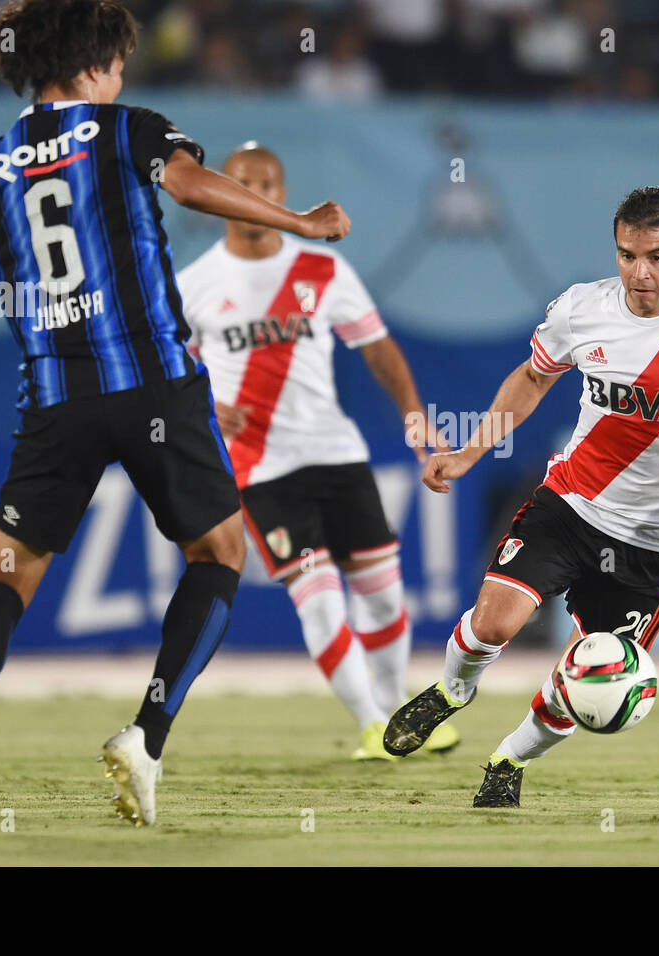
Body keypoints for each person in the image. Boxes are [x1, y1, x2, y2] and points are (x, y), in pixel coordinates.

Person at [0, 0, 349, 826]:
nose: (120, 77)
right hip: (154, 384)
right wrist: (297, 220)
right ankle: (146, 736)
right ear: (89, 67)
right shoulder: (125, 128)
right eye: (115, 63)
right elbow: (187, 185)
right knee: (220, 552)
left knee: (5, 576)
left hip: (55, 402)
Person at [383, 186, 659, 807]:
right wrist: (470, 451)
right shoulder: (582, 307)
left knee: (591, 683)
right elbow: (532, 377)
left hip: (654, 544)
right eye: (627, 255)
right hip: (570, 503)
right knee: (494, 621)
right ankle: (451, 692)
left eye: (656, 255)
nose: (639, 272)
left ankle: (508, 760)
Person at [176, 142, 455, 761]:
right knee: (322, 599)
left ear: (281, 194)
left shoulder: (323, 270)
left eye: (268, 185)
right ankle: (370, 726)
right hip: (260, 469)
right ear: (225, 193)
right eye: (242, 184)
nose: (255, 196)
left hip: (336, 454)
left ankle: (397, 714)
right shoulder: (192, 286)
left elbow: (377, 347)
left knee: (383, 595)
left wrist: (413, 414)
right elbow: (167, 372)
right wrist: (204, 408)